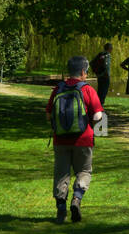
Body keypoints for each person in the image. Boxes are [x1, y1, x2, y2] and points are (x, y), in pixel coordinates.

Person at [45, 56, 105, 224]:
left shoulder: (58, 89)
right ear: (82, 72)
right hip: (83, 139)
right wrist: (92, 126)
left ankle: (61, 208)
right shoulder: (87, 89)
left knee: (61, 173)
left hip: (60, 140)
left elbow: (48, 114)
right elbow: (99, 115)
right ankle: (76, 199)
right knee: (84, 171)